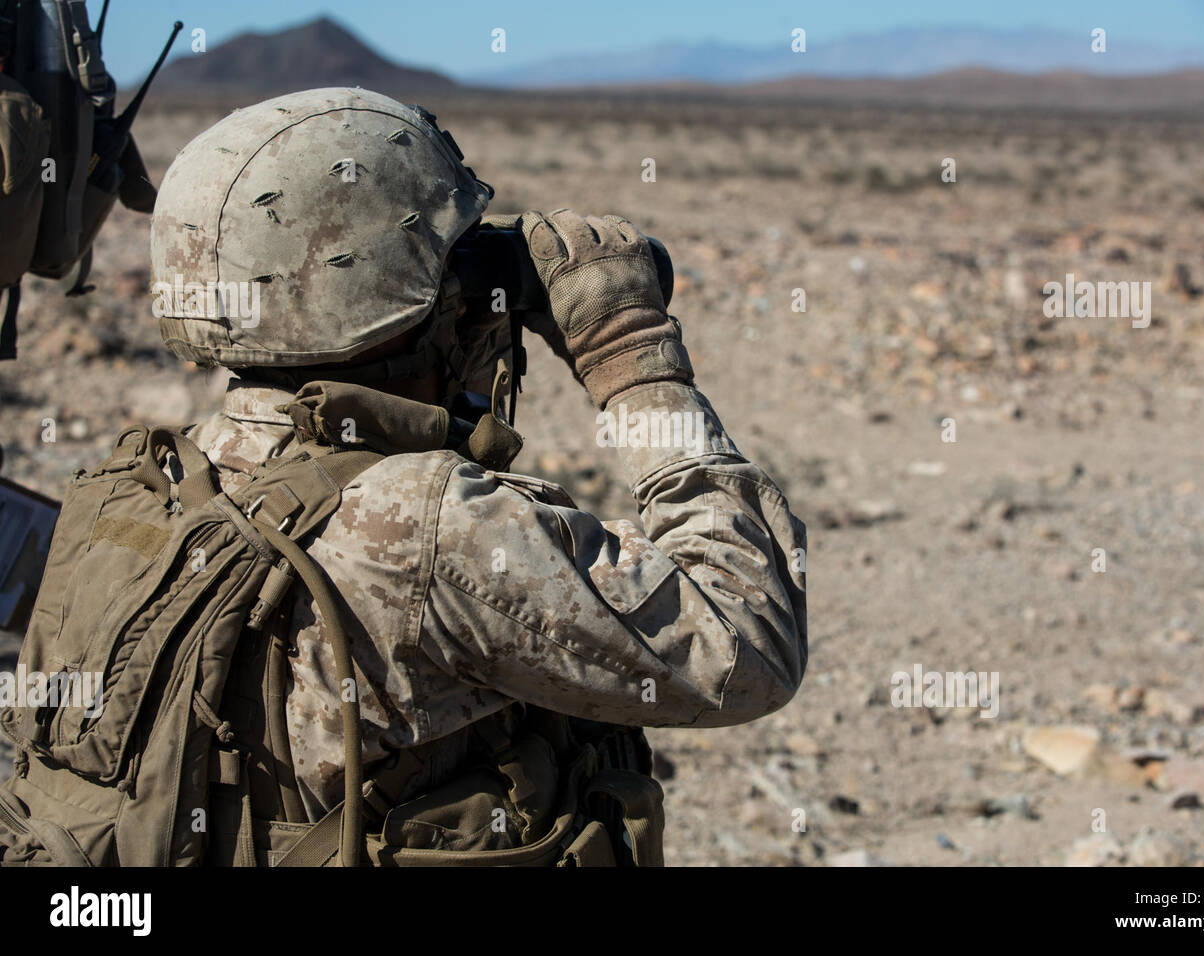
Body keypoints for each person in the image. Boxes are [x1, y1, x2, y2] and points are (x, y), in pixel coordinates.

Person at [68, 86, 809, 864]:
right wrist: (630, 353)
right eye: (453, 254)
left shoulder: (158, 479)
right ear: (393, 295)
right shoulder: (424, 526)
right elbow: (747, 647)